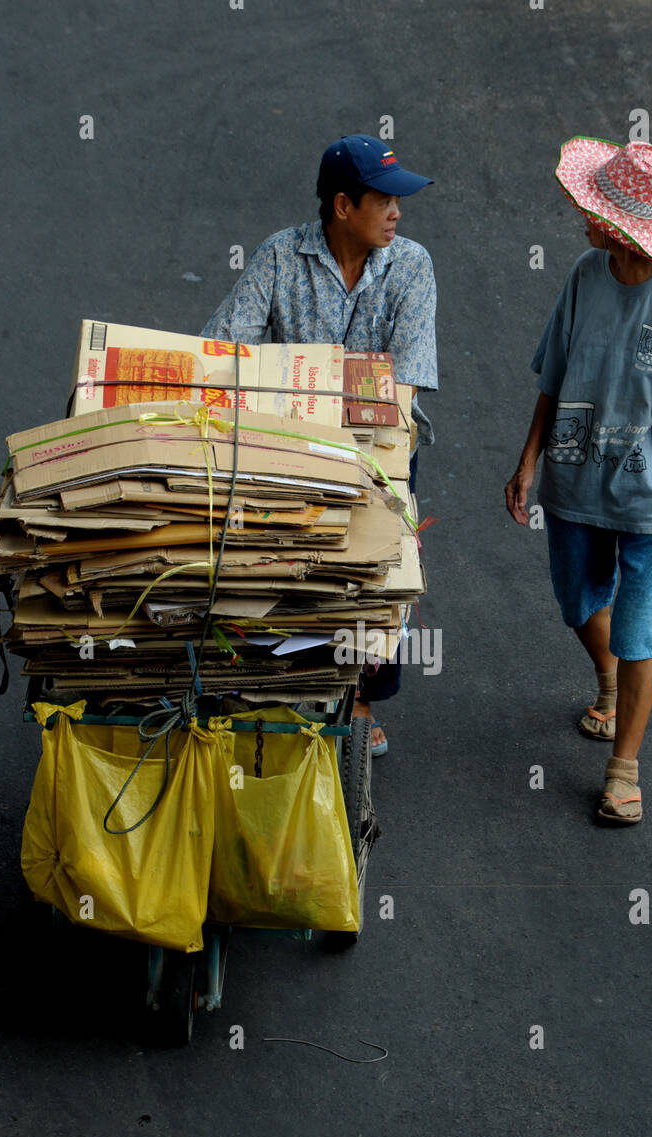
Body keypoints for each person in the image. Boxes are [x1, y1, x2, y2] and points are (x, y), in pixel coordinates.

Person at [505, 137, 652, 825]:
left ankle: (623, 769)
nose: (581, 216)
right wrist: (527, 462)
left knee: (642, 628)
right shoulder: (586, 274)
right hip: (577, 479)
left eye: (593, 209)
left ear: (622, 225)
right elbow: (552, 375)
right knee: (577, 601)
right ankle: (608, 681)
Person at [201, 134, 438, 756]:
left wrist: (320, 396)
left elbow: (404, 384)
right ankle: (273, 676)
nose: (397, 212)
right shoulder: (279, 257)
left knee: (373, 570)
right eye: (384, 200)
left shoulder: (412, 265)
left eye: (398, 201)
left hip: (379, 444)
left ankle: (361, 697)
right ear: (341, 206)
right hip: (288, 444)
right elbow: (226, 347)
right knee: (279, 559)